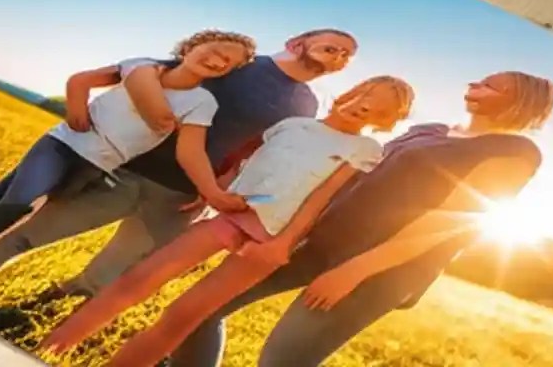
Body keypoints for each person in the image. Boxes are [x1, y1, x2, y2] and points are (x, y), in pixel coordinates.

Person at [0, 29, 359, 295]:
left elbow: (255, 150)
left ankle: (34, 320)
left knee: (107, 276)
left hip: (180, 198)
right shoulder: (238, 63)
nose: (338, 56)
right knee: (26, 235)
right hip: (126, 169)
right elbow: (151, 70)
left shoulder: (306, 104)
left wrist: (217, 189)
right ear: (297, 43)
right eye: (332, 46)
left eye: (346, 55)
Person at [169, 70, 553, 367]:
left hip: (379, 271)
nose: (475, 83)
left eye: (491, 86)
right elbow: (350, 179)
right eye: (480, 80)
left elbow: (449, 221)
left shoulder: (515, 152)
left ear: (521, 103)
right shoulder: (430, 130)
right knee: (199, 312)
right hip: (317, 243)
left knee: (282, 360)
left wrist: (354, 271)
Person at [37, 76, 417, 365]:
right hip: (233, 215)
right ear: (352, 91)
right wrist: (213, 191)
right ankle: (52, 347)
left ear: (385, 122)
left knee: (184, 315)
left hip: (271, 236)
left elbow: (324, 198)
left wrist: (282, 245)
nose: (364, 107)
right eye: (365, 95)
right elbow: (249, 160)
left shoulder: (365, 148)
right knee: (140, 279)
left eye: (378, 110)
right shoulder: (293, 125)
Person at [0, 30, 256, 284]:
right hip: (62, 146)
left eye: (229, 63)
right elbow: (81, 80)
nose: (219, 61)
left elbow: (190, 150)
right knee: (18, 206)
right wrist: (76, 108)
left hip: (94, 167)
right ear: (190, 46)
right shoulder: (141, 65)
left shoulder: (200, 103)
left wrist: (211, 191)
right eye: (215, 50)